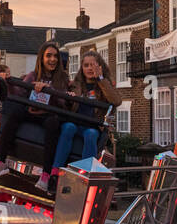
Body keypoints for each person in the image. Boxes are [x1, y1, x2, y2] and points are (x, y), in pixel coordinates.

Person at [0, 42, 70, 191]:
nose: (52, 59)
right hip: (32, 110)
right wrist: (8, 82)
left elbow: (64, 101)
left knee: (53, 124)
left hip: (49, 114)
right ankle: (1, 161)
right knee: (15, 112)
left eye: (55, 56)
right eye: (48, 56)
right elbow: (19, 93)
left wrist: (49, 90)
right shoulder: (33, 75)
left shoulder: (62, 79)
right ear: (41, 58)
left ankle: (45, 173)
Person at [49, 50, 122, 180]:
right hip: (75, 122)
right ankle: (55, 171)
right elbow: (65, 104)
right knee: (68, 128)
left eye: (92, 65)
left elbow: (116, 100)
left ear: (100, 67)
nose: (89, 68)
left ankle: (85, 174)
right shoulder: (75, 85)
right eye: (86, 65)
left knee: (91, 135)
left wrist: (100, 79)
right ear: (81, 68)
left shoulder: (105, 84)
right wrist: (69, 99)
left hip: (92, 126)